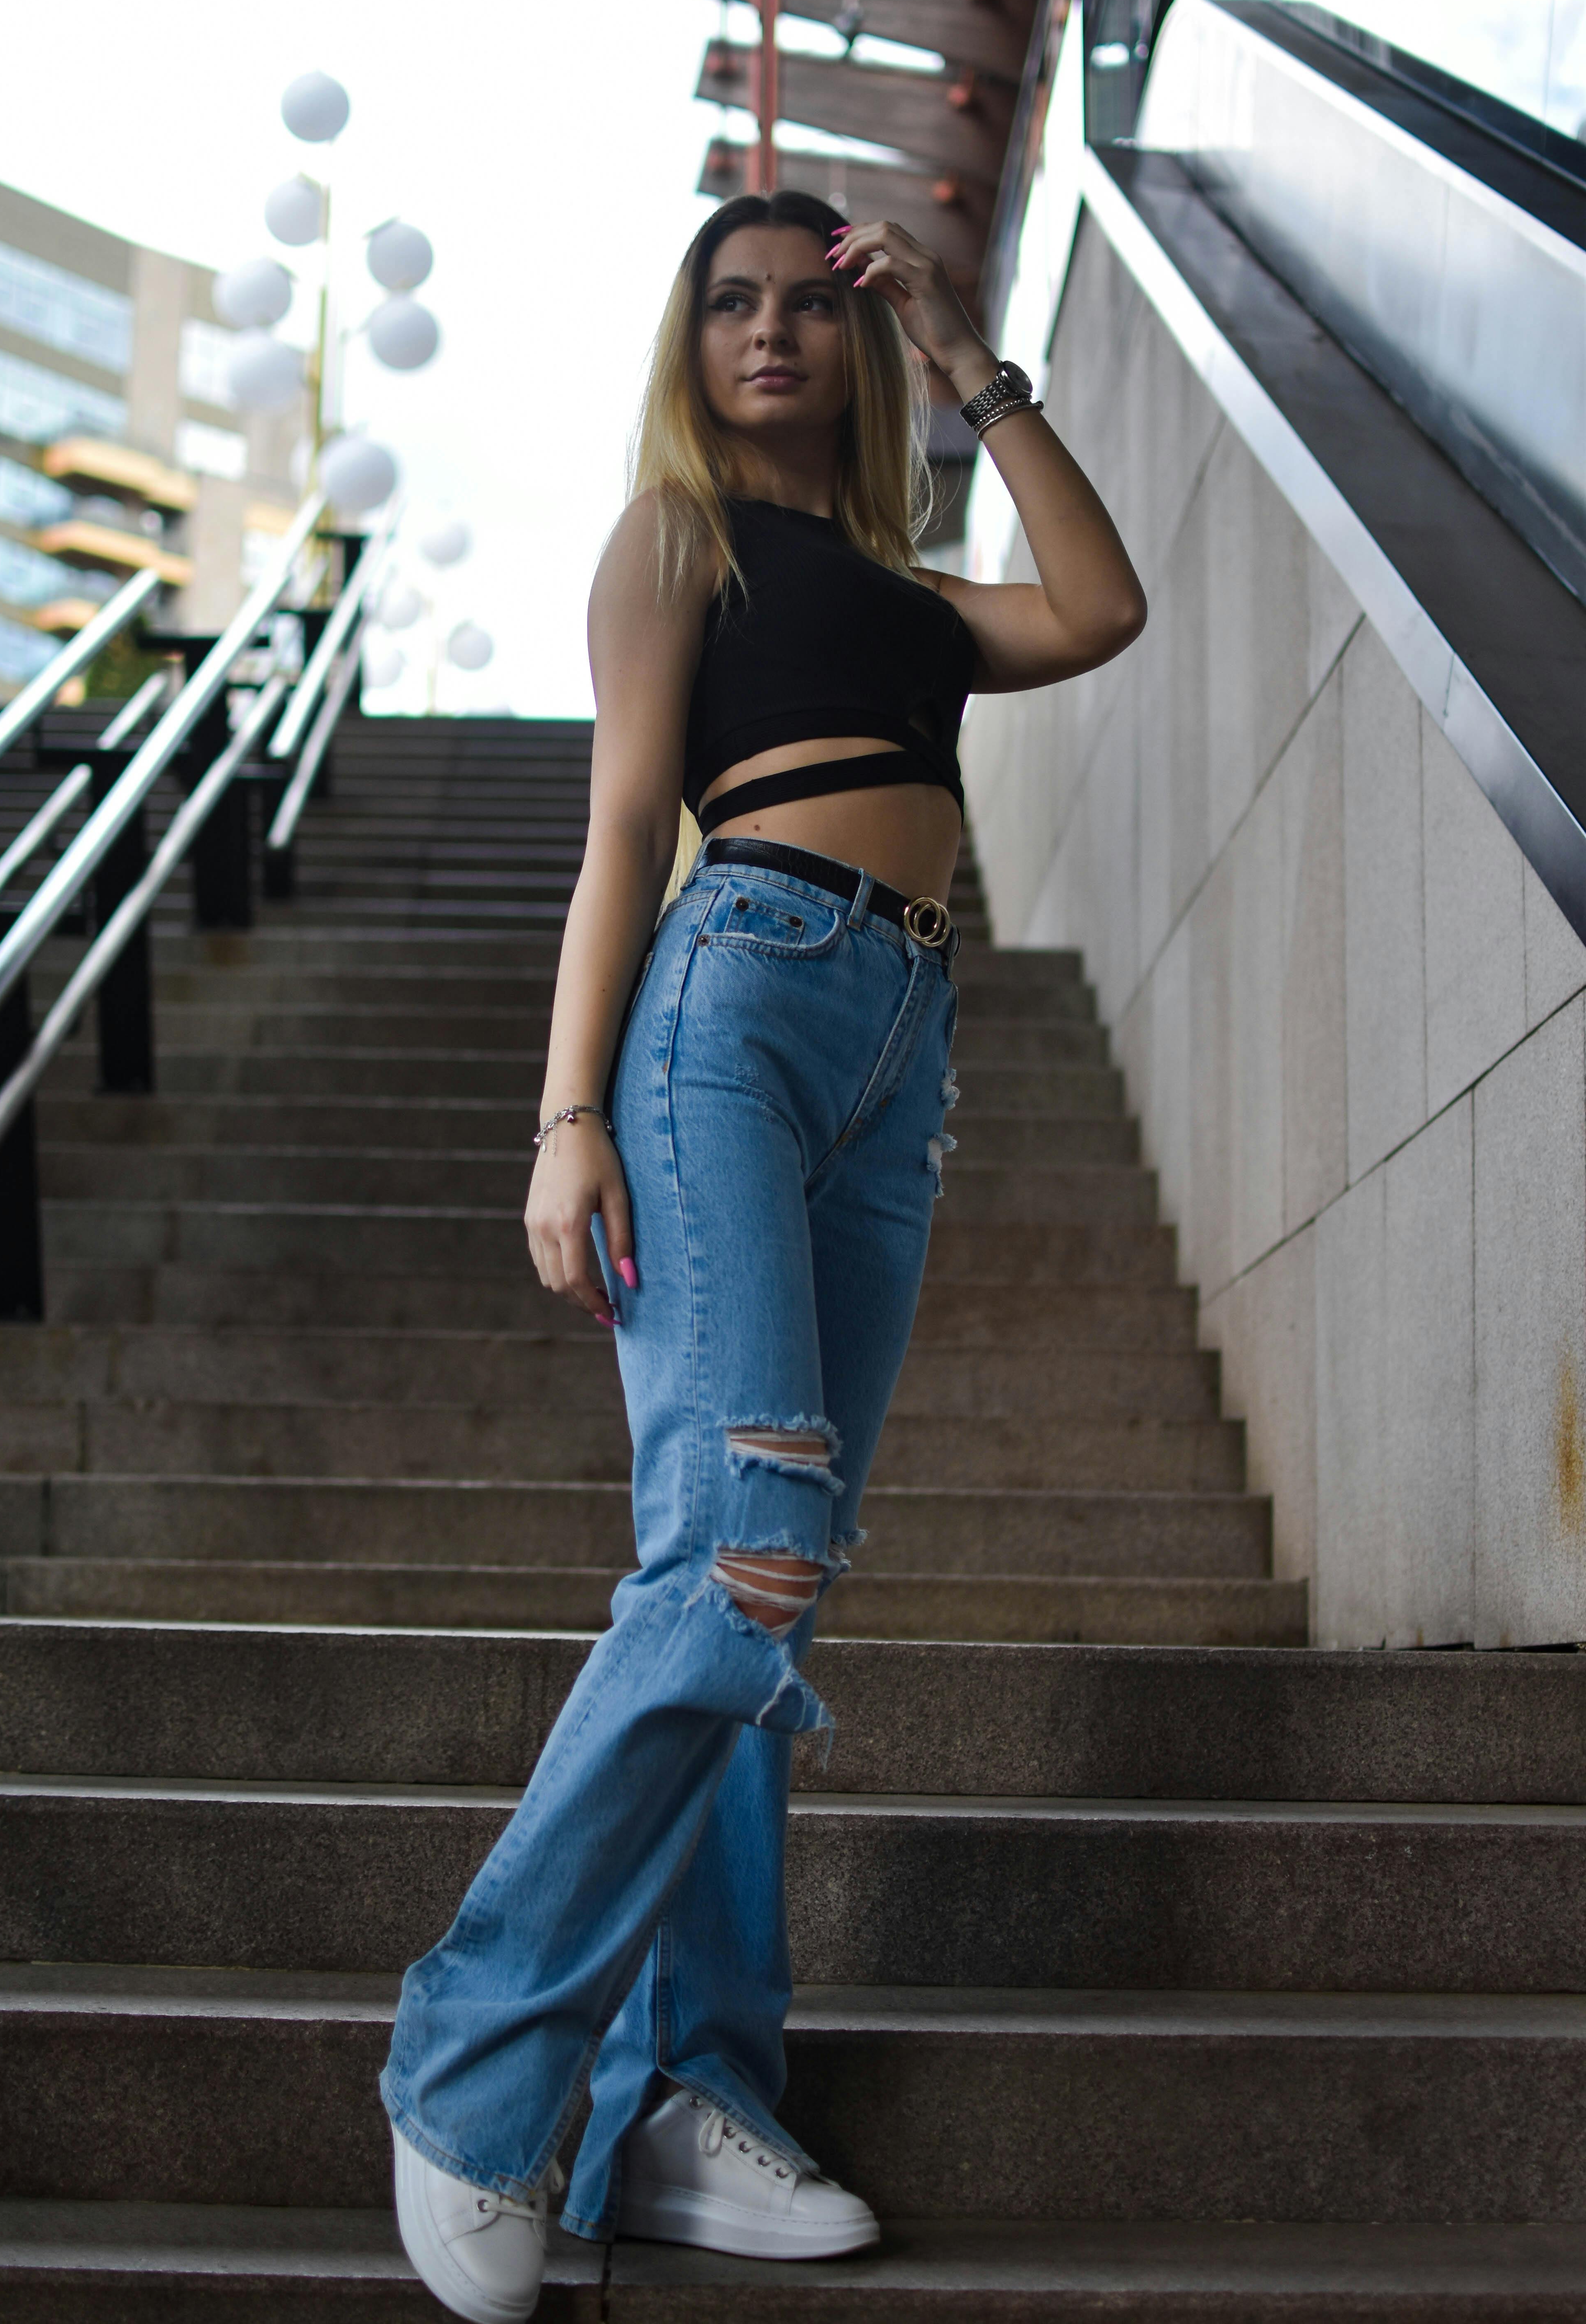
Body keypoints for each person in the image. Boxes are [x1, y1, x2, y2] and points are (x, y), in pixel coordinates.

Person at [381, 190, 1146, 2322]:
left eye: (814, 302)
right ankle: (471, 2074)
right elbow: (629, 823)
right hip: (731, 1006)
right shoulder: (676, 545)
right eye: (732, 303)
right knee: (748, 1558)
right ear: (689, 342)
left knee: (746, 1575)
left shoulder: (902, 580)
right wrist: (564, 1118)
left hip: (900, 1048)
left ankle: (688, 2100)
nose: (774, 332)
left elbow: (1101, 607)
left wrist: (978, 357)